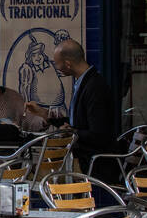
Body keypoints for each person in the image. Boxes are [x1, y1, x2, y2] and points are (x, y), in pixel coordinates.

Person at [26, 38, 117, 176]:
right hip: (85, 160)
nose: (57, 67)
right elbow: (78, 122)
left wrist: (72, 132)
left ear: (68, 64)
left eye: (58, 64)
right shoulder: (86, 82)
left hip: (93, 165)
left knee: (38, 174)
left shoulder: (94, 87)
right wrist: (43, 113)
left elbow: (99, 134)